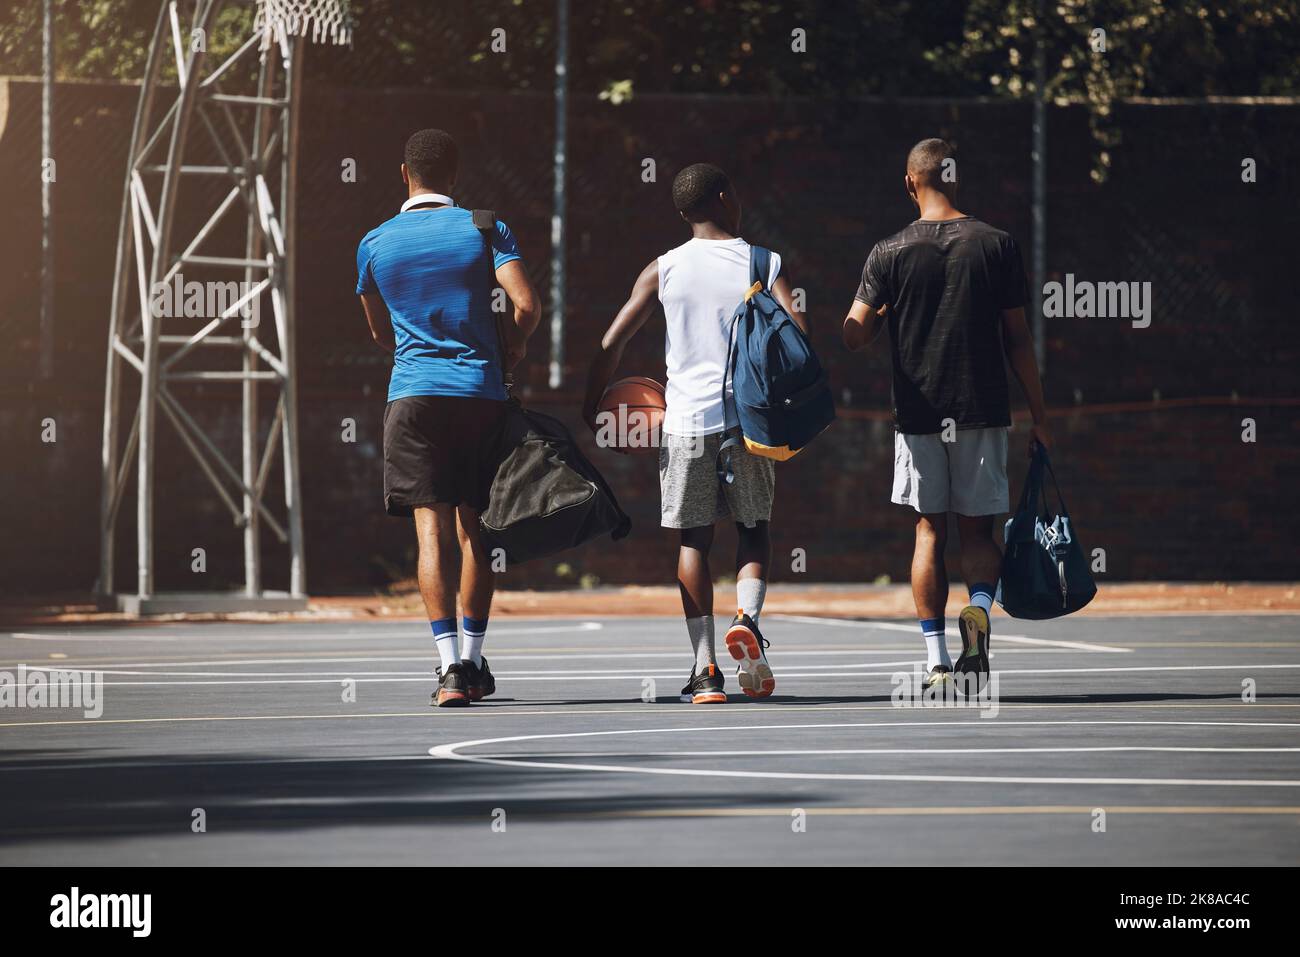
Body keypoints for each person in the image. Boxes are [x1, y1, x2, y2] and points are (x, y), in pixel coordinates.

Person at [583, 163, 806, 704]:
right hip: (748, 420)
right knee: (754, 529)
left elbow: (611, 343)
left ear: (683, 211)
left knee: (693, 540)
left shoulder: (663, 268)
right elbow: (799, 334)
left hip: (684, 423)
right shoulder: (762, 261)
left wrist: (592, 405)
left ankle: (705, 670)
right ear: (727, 197)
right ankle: (747, 620)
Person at [842, 138, 1051, 693]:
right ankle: (979, 607)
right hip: (982, 408)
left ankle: (935, 660)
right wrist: (1040, 413)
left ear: (910, 182)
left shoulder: (887, 251)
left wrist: (885, 310)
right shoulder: (996, 244)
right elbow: (1019, 339)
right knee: (978, 530)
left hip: (918, 413)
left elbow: (853, 333)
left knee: (929, 529)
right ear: (955, 179)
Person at [356, 129, 540, 707]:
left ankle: (447, 671)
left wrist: (416, 352)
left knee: (430, 532)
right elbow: (527, 305)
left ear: (403, 174)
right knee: (476, 531)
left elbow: (380, 331)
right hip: (480, 396)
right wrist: (512, 346)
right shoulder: (485, 227)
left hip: (413, 397)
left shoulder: (375, 242)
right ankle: (474, 658)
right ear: (454, 176)